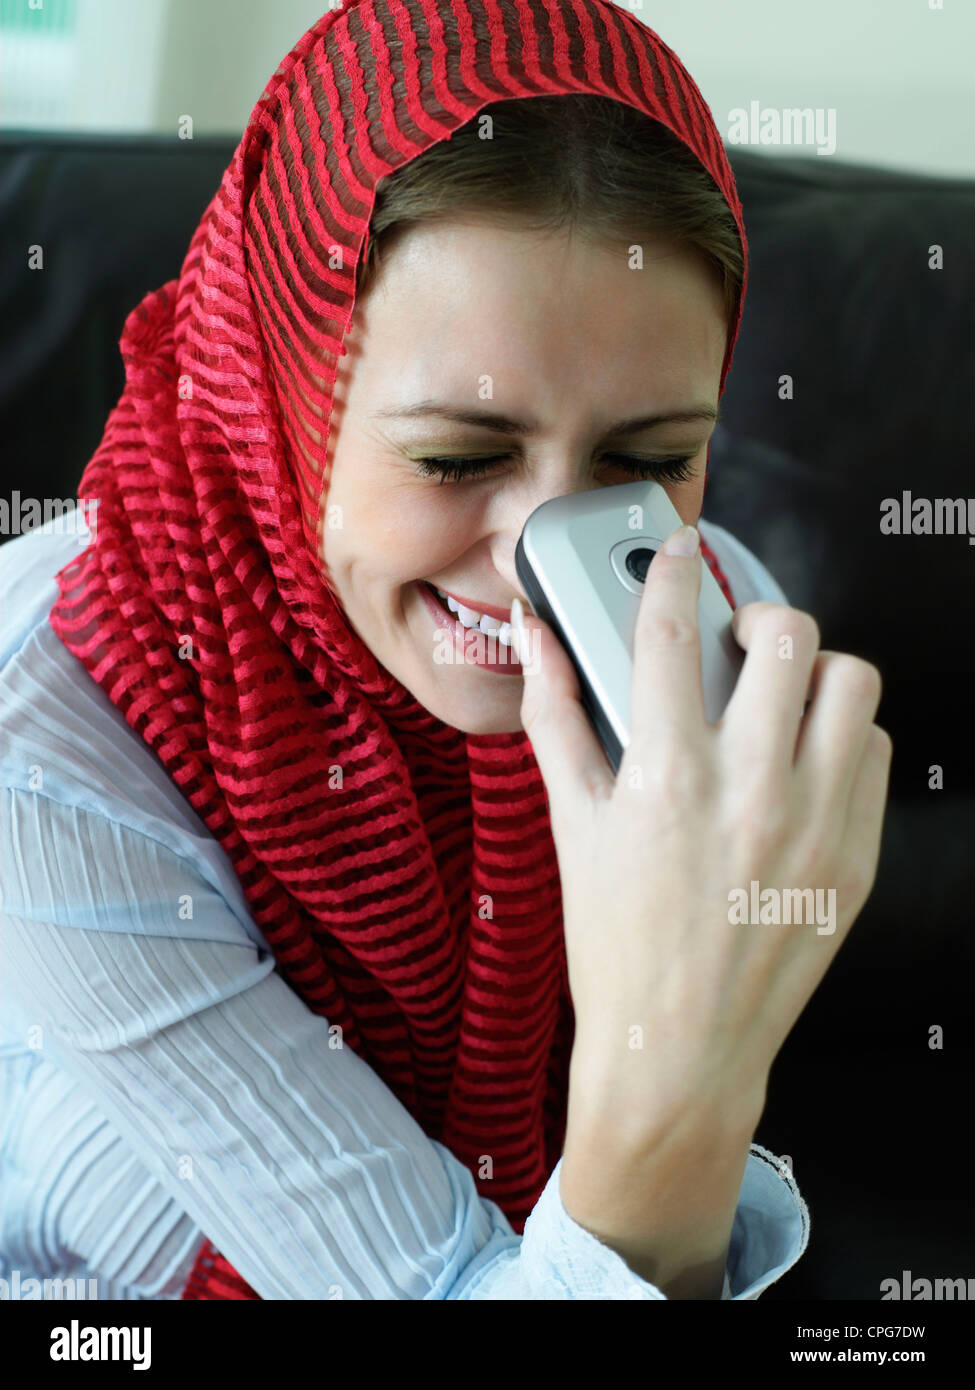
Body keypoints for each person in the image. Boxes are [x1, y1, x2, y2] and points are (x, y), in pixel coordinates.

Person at [0, 0, 890, 1300]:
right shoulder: (50, 723)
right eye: (458, 456)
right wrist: (678, 1072)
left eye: (646, 460)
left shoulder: (709, 636)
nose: (543, 555)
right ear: (276, 398)